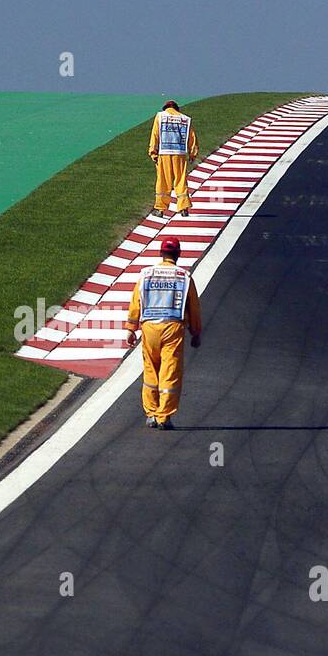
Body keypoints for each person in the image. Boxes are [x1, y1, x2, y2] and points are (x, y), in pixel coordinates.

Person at [124, 237, 203, 429]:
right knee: (170, 371)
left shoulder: (146, 274)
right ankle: (164, 416)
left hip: (149, 328)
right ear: (178, 254)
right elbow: (193, 307)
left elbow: (136, 302)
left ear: (161, 253)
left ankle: (151, 413)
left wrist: (130, 329)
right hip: (173, 328)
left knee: (151, 369)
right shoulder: (184, 276)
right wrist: (196, 332)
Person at [148, 100, 199, 216]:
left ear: (165, 107)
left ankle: (160, 209)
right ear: (177, 108)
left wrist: (153, 152)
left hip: (164, 153)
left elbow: (155, 135)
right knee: (181, 180)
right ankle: (184, 207)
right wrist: (192, 154)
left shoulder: (160, 116)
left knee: (163, 181)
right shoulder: (185, 119)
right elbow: (192, 138)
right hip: (180, 154)